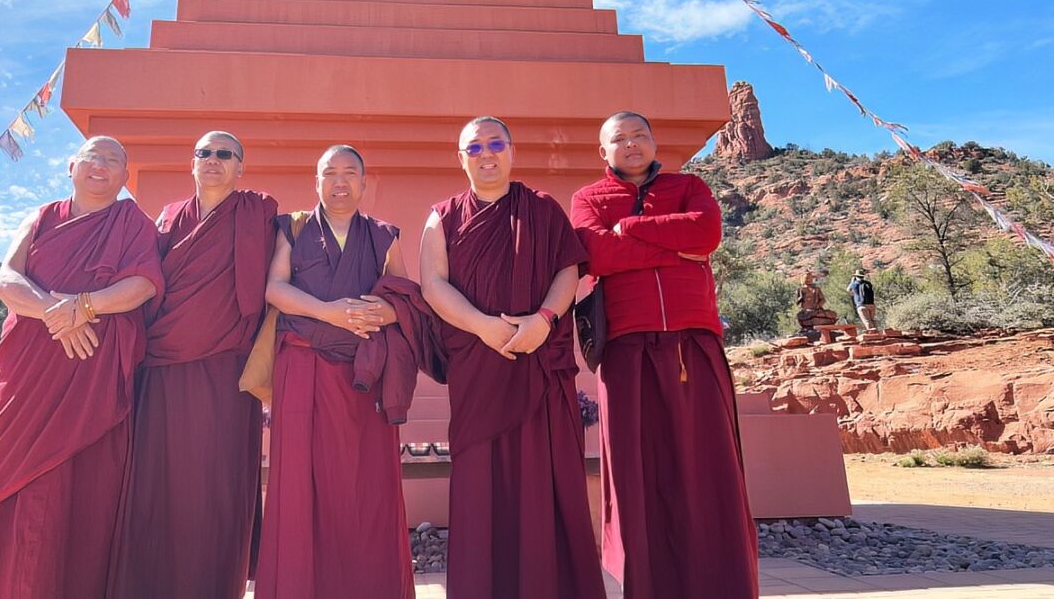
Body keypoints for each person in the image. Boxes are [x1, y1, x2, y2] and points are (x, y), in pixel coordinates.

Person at [0, 137, 164, 599]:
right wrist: (61, 313)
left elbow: (144, 285)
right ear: (71, 166)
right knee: (0, 483)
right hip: (26, 382)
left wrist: (84, 306)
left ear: (125, 177)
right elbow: (7, 281)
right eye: (93, 157)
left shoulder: (133, 223)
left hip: (91, 386)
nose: (102, 166)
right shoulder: (41, 217)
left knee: (85, 495)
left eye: (114, 161)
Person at [570, 111, 759, 599]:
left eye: (639, 136)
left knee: (707, 463)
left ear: (654, 143)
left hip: (693, 342)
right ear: (603, 151)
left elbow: (707, 234)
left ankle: (721, 580)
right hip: (626, 347)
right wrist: (674, 249)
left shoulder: (690, 186)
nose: (631, 145)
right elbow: (596, 255)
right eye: (619, 139)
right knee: (635, 470)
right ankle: (645, 584)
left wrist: (628, 228)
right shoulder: (587, 199)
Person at [420, 116, 606, 599]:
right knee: (481, 484)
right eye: (474, 147)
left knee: (548, 477)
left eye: (495, 143)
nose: (486, 154)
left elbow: (569, 270)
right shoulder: (442, 216)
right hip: (478, 367)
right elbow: (432, 283)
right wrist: (485, 327)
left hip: (539, 364)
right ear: (461, 157)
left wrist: (542, 321)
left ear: (512, 151)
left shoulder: (542, 209)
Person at [256, 145, 438, 599]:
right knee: (300, 484)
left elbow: (407, 300)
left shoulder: (382, 235)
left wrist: (385, 312)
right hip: (302, 370)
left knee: (365, 485)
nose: (340, 182)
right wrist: (329, 313)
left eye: (349, 173)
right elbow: (275, 288)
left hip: (363, 378)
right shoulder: (294, 228)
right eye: (329, 174)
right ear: (316, 182)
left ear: (363, 182)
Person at [109, 131, 278, 599]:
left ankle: (218, 584)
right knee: (160, 479)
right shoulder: (166, 219)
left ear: (240, 168)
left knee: (219, 483)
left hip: (227, 371)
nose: (214, 161)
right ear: (192, 163)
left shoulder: (259, 213)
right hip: (164, 367)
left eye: (226, 155)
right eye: (205, 153)